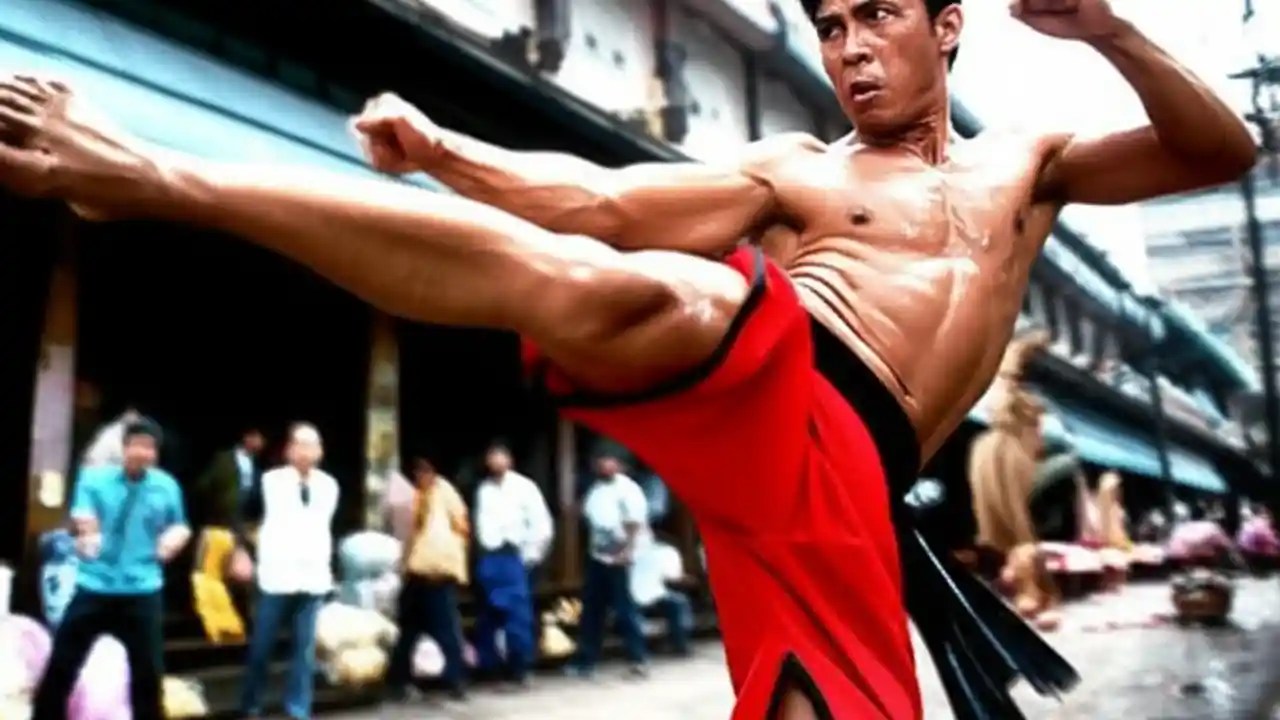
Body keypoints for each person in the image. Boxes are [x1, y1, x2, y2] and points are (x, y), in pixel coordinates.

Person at [0, 0, 1256, 713]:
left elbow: (1218, 153)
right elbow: (597, 201)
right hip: (779, 371)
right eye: (827, 26)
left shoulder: (1027, 164)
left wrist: (1103, 29)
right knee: (626, 285)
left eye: (877, 17)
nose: (850, 48)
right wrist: (449, 153)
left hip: (846, 496)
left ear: (946, 27)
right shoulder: (794, 173)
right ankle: (153, 178)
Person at [33, 417, 190, 720]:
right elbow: (83, 512)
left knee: (148, 676)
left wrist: (176, 537)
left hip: (142, 590)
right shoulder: (94, 479)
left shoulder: (167, 486)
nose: (143, 453)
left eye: (150, 447)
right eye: (137, 445)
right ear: (124, 447)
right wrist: (86, 533)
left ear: (156, 453)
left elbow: (179, 523)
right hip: (94, 586)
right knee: (62, 666)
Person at [231, 423, 340, 720]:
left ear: (320, 451)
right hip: (275, 578)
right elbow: (242, 516)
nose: (306, 452)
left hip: (313, 578)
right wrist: (240, 550)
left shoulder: (329, 485)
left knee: (304, 653)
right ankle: (251, 705)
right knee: (261, 648)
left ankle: (298, 710)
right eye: (300, 444)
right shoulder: (268, 481)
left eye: (313, 445)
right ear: (289, 449)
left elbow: (328, 529)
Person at [385, 457, 470, 702]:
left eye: (425, 470)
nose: (420, 475)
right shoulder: (419, 495)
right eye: (417, 471)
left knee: (445, 630)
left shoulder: (444, 495)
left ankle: (456, 679)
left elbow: (458, 531)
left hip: (436, 573)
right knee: (408, 631)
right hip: (415, 573)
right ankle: (398, 680)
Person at [471, 444, 554, 686]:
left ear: (509, 460)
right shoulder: (484, 489)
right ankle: (490, 668)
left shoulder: (524, 487)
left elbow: (541, 525)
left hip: (513, 555)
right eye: (491, 458)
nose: (495, 462)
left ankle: (521, 668)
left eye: (499, 457)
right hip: (489, 556)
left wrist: (530, 557)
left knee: (517, 617)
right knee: (488, 616)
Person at [569, 453, 650, 678]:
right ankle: (587, 661)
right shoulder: (596, 489)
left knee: (625, 611)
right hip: (598, 556)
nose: (604, 465)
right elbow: (585, 513)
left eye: (609, 460)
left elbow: (635, 522)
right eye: (601, 461)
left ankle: (638, 659)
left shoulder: (628, 488)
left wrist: (627, 551)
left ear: (619, 464)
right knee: (592, 611)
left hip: (620, 558)